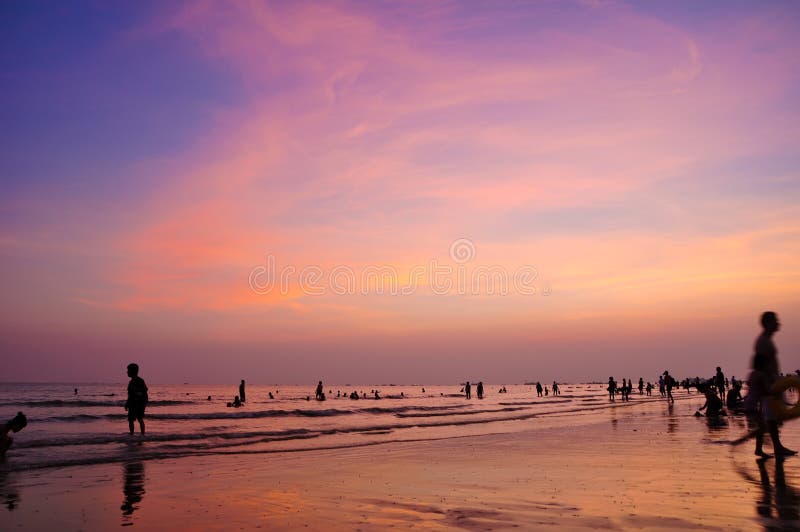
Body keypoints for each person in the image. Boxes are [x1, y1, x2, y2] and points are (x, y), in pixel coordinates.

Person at [747, 311, 796, 457]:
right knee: (770, 417)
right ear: (768, 323)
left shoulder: (766, 340)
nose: (778, 323)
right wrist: (767, 385)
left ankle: (774, 446)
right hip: (767, 383)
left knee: (770, 418)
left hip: (770, 382)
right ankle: (776, 447)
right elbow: (759, 365)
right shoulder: (763, 341)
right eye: (775, 320)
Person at [124, 363, 148, 435]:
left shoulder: (140, 380)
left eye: (128, 370)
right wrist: (127, 404)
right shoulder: (131, 382)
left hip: (139, 403)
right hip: (132, 403)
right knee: (130, 419)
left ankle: (142, 434)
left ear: (133, 371)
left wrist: (139, 397)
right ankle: (132, 434)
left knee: (140, 419)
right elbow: (130, 395)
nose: (127, 372)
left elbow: (144, 391)